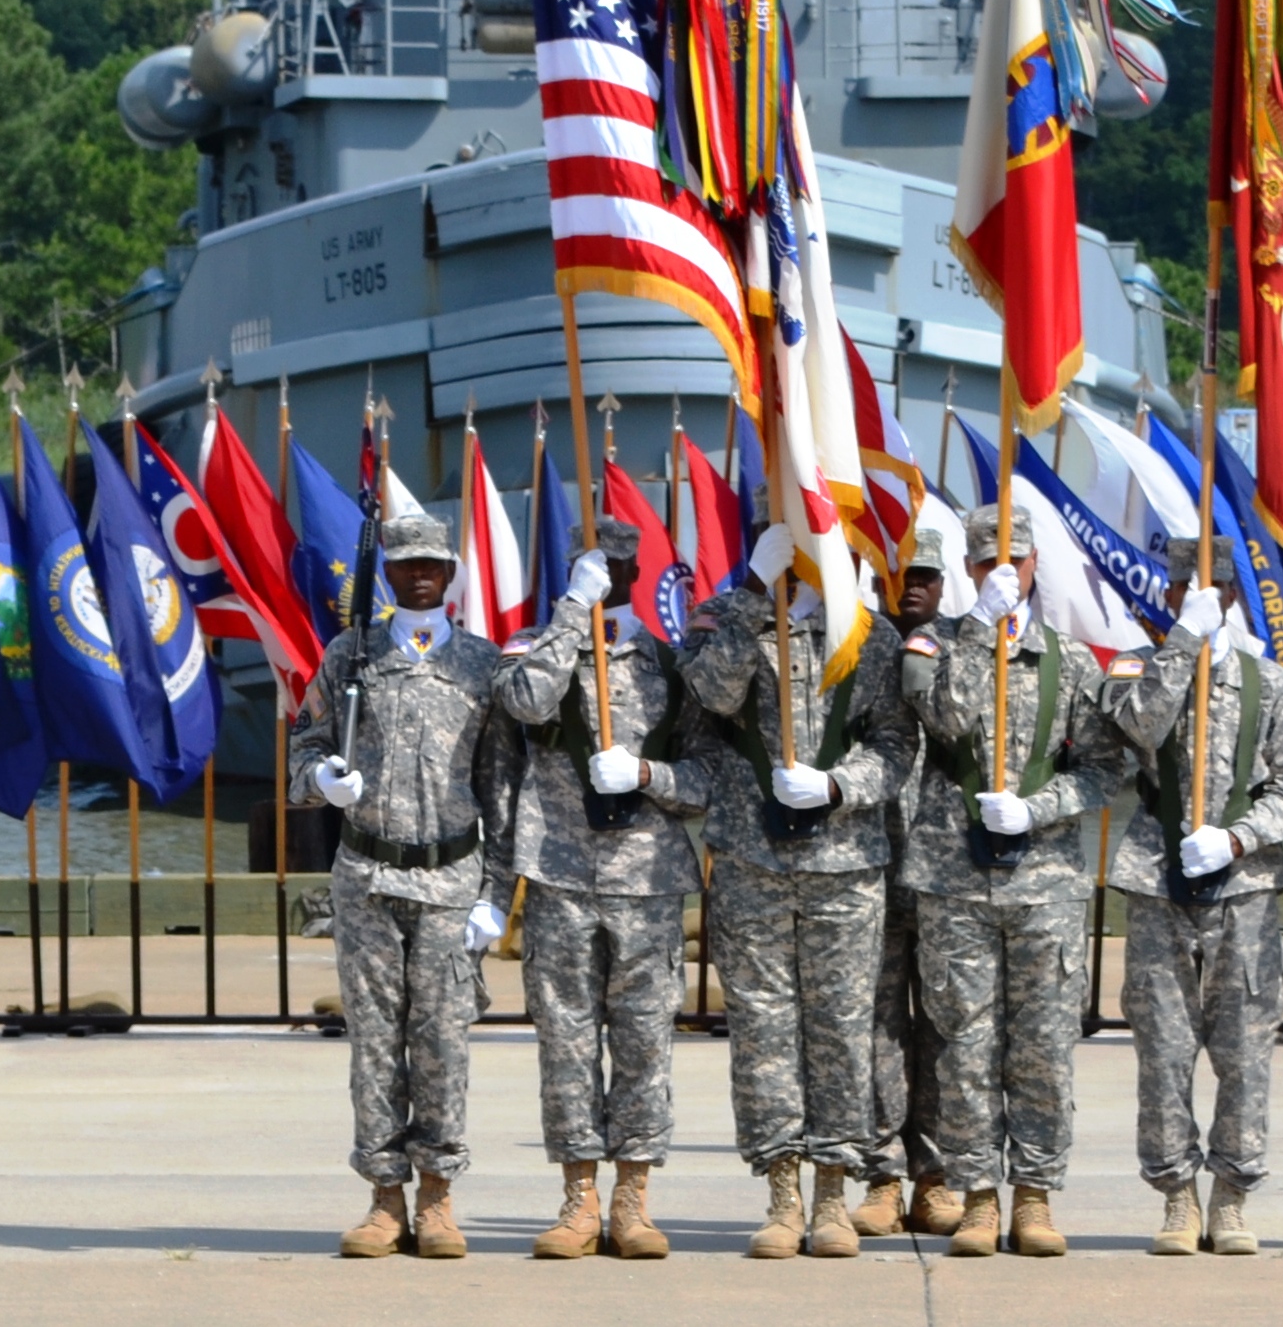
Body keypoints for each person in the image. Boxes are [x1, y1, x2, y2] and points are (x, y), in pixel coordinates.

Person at [681, 517, 913, 1259]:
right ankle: (782, 1193)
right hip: (751, 860)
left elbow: (895, 747)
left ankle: (835, 1197)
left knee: (842, 1030)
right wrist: (752, 591)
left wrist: (839, 784)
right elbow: (710, 700)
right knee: (763, 1035)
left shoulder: (869, 637)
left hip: (844, 866)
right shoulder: (722, 619)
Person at [290, 508, 509, 1261]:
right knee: (375, 1045)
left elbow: (502, 787)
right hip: (368, 874)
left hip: (451, 877)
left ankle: (439, 1196)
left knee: (443, 1043)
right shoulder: (350, 656)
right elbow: (304, 745)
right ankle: (384, 1197)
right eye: (405, 562)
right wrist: (320, 777)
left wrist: (498, 895)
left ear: (450, 574)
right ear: (384, 572)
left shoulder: (483, 665)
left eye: (432, 563)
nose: (419, 573)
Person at [896, 502, 1108, 1260]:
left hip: (1044, 879)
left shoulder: (1072, 660)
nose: (1001, 575)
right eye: (986, 565)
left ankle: (1037, 1196)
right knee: (963, 1045)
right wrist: (980, 627)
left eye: (1013, 563)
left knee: (1043, 1047)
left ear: (1033, 566)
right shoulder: (933, 645)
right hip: (954, 879)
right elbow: (946, 718)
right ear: (971, 571)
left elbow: (1105, 767)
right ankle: (979, 1195)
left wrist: (1040, 806)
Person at [489, 516, 702, 1261]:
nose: (609, 573)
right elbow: (524, 702)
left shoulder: (670, 667)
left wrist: (650, 774)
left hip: (645, 878)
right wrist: (572, 613)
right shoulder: (541, 648)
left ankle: (632, 1200)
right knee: (567, 1042)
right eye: (594, 564)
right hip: (559, 871)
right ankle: (578, 1197)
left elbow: (709, 780)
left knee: (645, 1043)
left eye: (619, 564)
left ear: (638, 572)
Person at [1093, 561, 1283, 1257]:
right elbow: (1139, 728)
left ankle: (1232, 1195)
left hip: (1242, 886)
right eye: (1186, 586)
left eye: (1214, 589)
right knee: (1162, 1049)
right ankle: (1177, 1196)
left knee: (1245, 1049)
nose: (1201, 596)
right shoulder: (1138, 669)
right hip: (1158, 880)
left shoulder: (1268, 681)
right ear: (1171, 594)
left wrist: (1237, 836)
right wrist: (1183, 640)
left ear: (1236, 596)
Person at [857, 521, 953, 1238]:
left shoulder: (969, 650)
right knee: (877, 1027)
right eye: (901, 573)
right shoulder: (853, 649)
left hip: (952, 874)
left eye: (925, 573)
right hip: (870, 867)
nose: (913, 584)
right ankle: (883, 1172)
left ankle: (940, 1174)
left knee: (949, 1028)